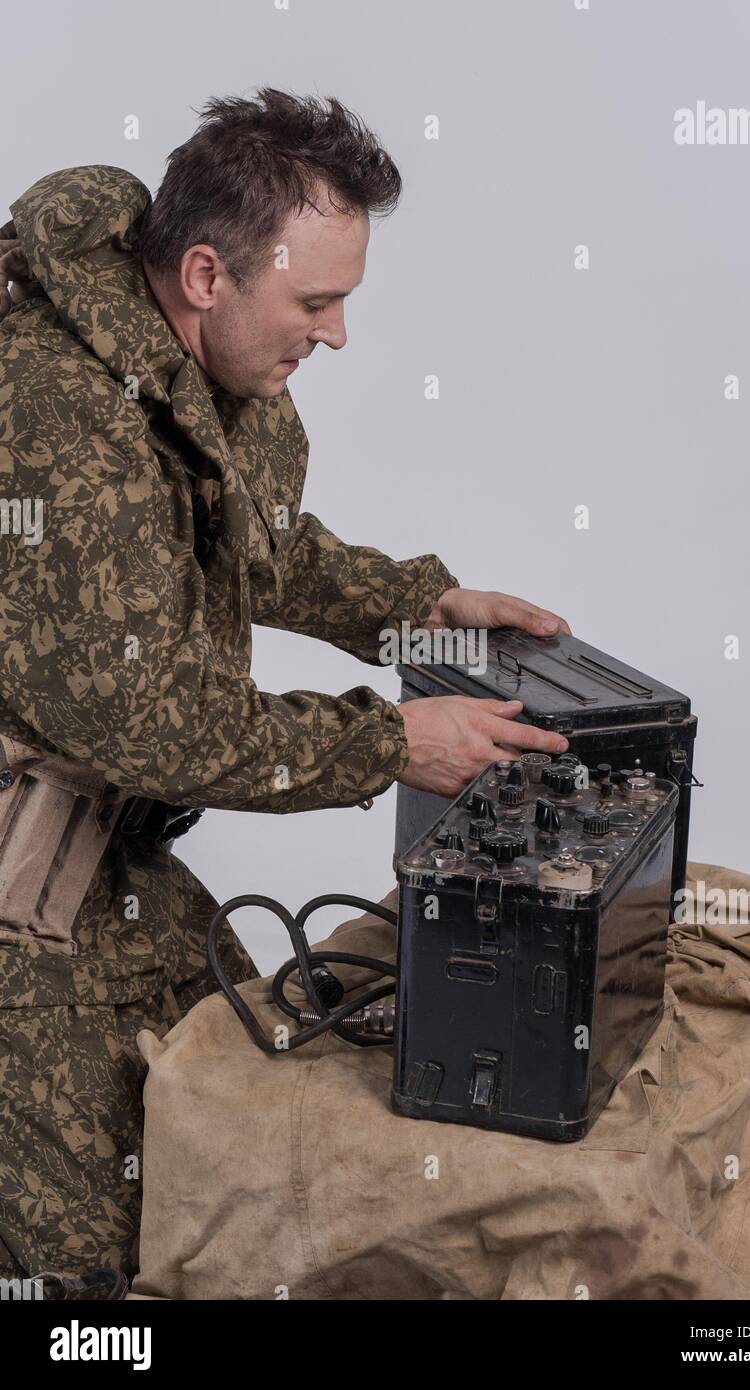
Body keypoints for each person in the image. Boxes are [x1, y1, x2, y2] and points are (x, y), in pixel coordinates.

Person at [0, 87, 570, 1292]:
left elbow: (253, 543)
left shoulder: (197, 364)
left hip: (90, 846)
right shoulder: (54, 419)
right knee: (112, 1252)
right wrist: (390, 745)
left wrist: (417, 609)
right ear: (207, 273)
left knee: (238, 1088)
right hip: (18, 878)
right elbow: (150, 722)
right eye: (317, 301)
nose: (338, 334)